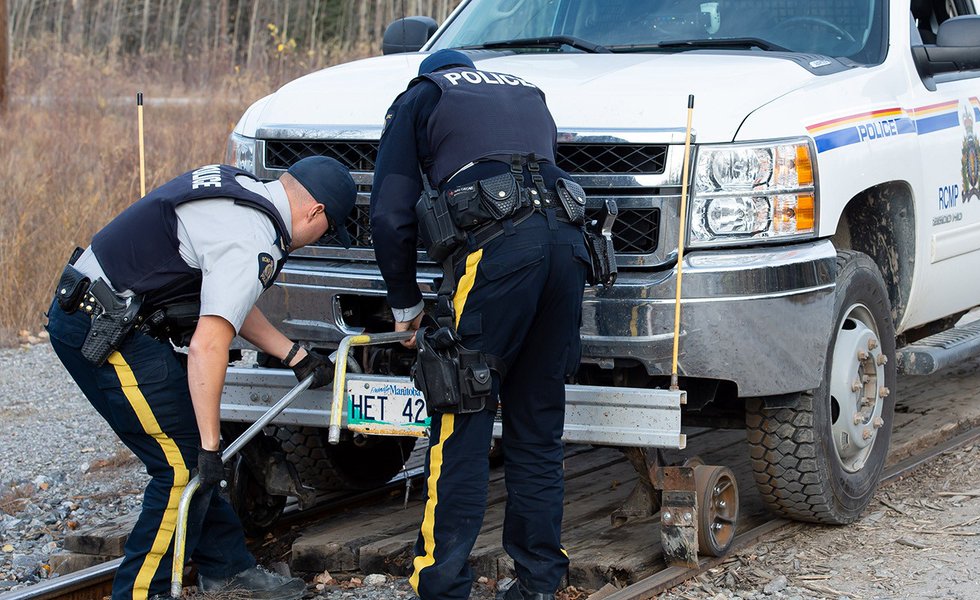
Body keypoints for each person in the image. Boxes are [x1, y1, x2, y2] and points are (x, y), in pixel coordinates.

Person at [45, 156, 357, 600]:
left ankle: (227, 568)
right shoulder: (253, 238)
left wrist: (293, 353)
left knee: (189, 455)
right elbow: (207, 346)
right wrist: (213, 448)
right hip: (103, 328)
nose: (317, 239)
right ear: (315, 212)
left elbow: (226, 294)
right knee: (184, 468)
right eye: (327, 229)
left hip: (101, 313)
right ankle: (138, 593)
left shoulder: (240, 190)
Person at [370, 50, 590, 600]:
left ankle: (442, 586)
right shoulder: (527, 93)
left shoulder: (424, 93)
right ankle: (539, 582)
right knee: (537, 426)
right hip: (569, 251)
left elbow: (388, 211)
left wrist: (405, 305)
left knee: (459, 414)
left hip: (497, 250)